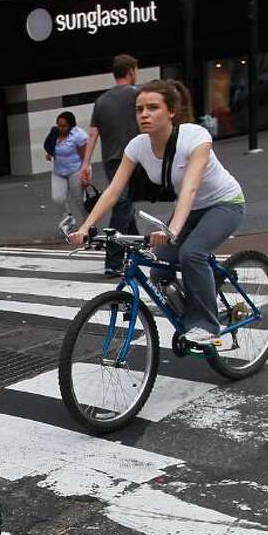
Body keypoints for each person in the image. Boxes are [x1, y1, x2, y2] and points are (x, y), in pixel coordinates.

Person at [69, 80, 245, 347]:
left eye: (153, 108)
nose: (144, 114)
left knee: (192, 253)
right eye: (140, 109)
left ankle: (208, 326)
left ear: (171, 111)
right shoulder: (138, 146)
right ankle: (191, 319)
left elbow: (190, 187)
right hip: (191, 211)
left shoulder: (195, 136)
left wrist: (171, 230)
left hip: (224, 204)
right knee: (159, 269)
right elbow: (113, 192)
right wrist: (85, 228)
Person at [80, 54, 140, 276]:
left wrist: (86, 163)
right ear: (131, 71)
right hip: (132, 158)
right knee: (123, 203)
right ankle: (113, 261)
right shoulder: (138, 95)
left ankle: (136, 247)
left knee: (125, 203)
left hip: (110, 160)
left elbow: (93, 133)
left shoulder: (101, 101)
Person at [45, 111, 88, 226]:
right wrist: (50, 153)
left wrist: (86, 173)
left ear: (71, 125)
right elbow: (50, 146)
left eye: (64, 126)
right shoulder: (55, 133)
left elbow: (85, 157)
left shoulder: (78, 136)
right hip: (58, 172)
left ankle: (88, 223)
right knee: (58, 198)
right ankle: (68, 220)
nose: (60, 128)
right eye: (58, 125)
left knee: (79, 201)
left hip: (75, 171)